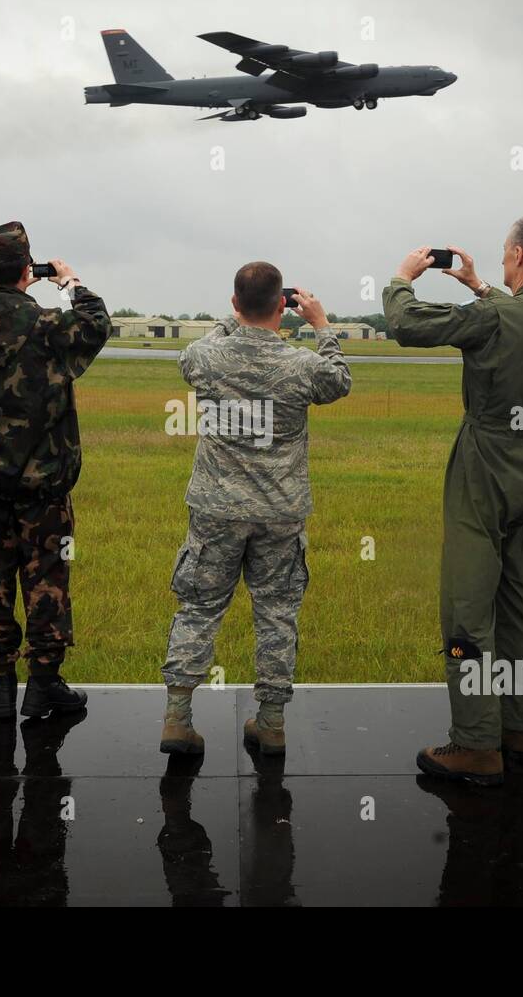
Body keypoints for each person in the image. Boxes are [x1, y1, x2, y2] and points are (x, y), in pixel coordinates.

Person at [383, 216, 523, 786]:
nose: (498, 263)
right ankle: (519, 729)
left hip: (486, 464)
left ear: (519, 255)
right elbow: (518, 321)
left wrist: (403, 277)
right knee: (520, 602)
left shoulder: (497, 315)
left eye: (502, 256)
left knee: (469, 605)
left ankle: (475, 743)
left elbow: (405, 325)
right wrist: (478, 286)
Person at [160, 261, 351, 757]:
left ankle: (178, 719)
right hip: (279, 511)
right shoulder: (301, 363)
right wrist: (321, 326)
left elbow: (196, 351)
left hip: (215, 509)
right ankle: (270, 724)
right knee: (276, 614)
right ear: (282, 307)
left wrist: (236, 318)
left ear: (234, 303)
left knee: (199, 608)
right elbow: (339, 381)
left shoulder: (204, 357)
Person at [0, 221, 110, 720]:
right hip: (42, 485)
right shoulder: (47, 327)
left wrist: (6, 291)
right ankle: (44, 684)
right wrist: (71, 282)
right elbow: (96, 324)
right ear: (25, 269)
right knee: (47, 579)